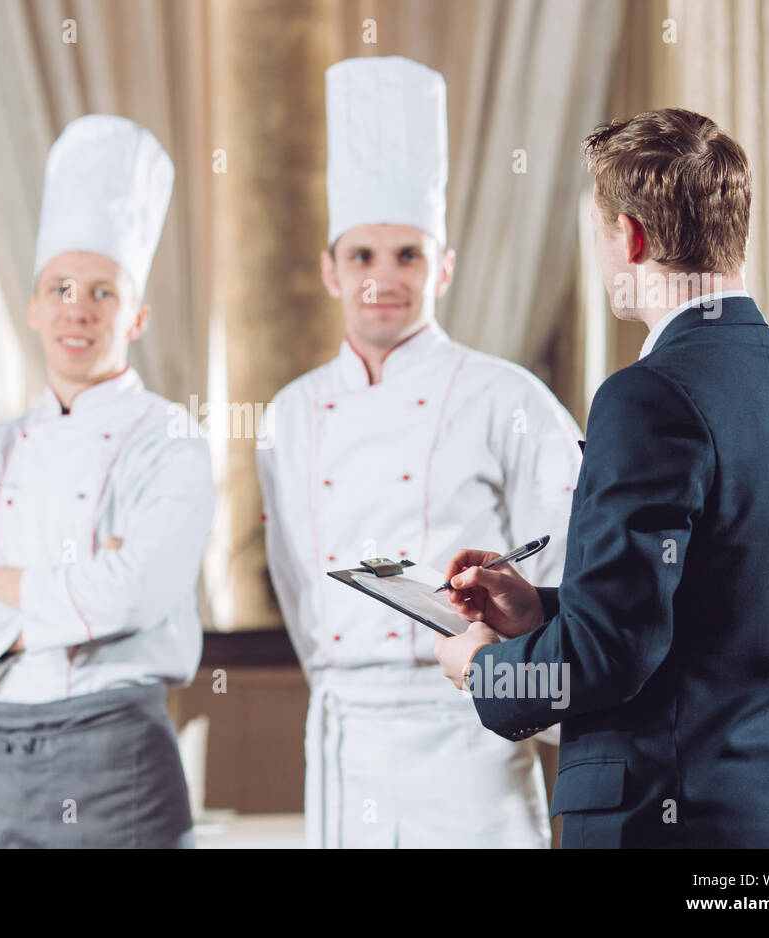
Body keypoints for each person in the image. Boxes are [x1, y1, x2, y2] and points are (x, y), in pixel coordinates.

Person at [435, 108, 769, 848]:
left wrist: (481, 669)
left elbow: (607, 656)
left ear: (630, 236)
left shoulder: (646, 395)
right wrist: (540, 610)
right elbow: (721, 607)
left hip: (666, 824)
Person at [256, 55, 583, 848]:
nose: (383, 279)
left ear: (442, 267)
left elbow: (565, 568)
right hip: (342, 731)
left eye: (406, 256)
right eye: (362, 257)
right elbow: (301, 588)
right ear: (330, 269)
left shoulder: (507, 397)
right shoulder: (291, 413)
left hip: (467, 722)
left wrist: (520, 688)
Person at [0, 114, 213, 849]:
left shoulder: (170, 438)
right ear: (34, 307)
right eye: (61, 287)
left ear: (136, 315)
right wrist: (87, 590)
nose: (79, 308)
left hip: (120, 756)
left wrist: (0, 580)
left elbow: (138, 589)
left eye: (103, 293)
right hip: (4, 751)